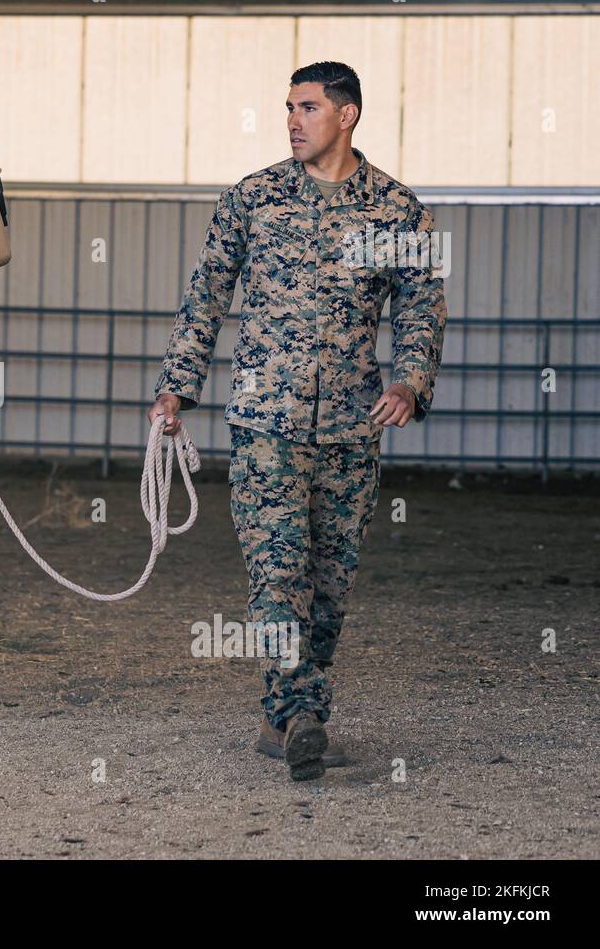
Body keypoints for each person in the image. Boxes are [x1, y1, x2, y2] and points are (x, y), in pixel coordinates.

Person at [148, 62, 447, 781]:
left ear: (345, 116)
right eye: (288, 107)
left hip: (352, 429)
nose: (292, 120)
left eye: (307, 107)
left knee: (329, 584)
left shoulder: (398, 211)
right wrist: (175, 389)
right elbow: (207, 296)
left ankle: (278, 718)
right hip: (266, 425)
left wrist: (411, 379)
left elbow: (423, 303)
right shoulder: (253, 199)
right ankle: (303, 715)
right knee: (277, 574)